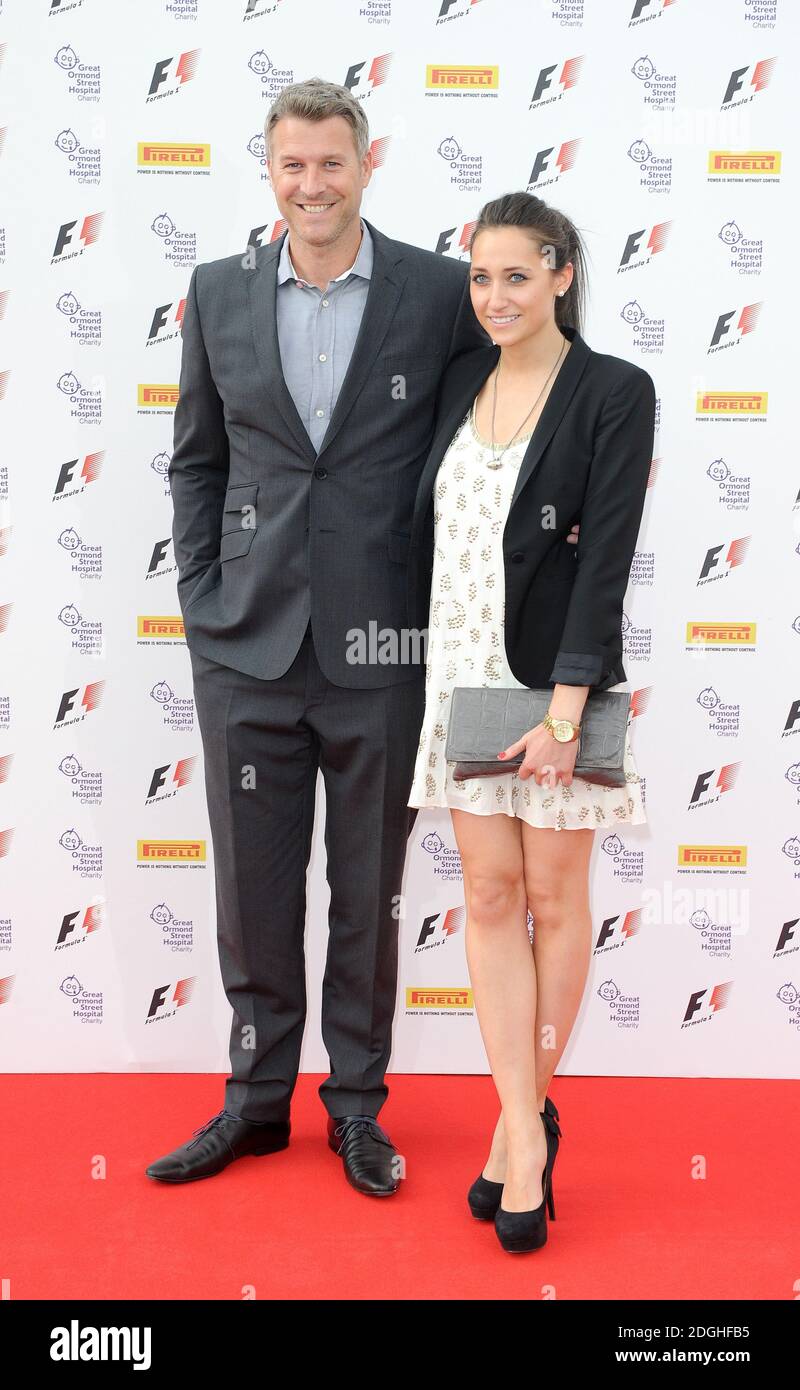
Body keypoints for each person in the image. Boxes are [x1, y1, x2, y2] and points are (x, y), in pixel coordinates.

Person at [146, 77, 493, 1197]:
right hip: (244, 646)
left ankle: (354, 1108)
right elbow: (198, 461)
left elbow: (487, 443)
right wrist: (203, 596)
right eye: (292, 165)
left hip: (382, 649)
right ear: (269, 171)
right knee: (254, 894)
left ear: (365, 163)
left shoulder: (440, 294)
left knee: (368, 890)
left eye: (330, 164)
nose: (312, 185)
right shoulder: (217, 293)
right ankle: (254, 1104)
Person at [407, 191, 656, 1251]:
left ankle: (518, 1133)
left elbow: (602, 560)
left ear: (561, 273)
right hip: (458, 679)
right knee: (489, 896)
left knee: (556, 904)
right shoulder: (460, 381)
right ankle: (523, 1121)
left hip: (554, 687)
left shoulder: (611, 388)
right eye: (479, 277)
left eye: (517, 273)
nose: (494, 295)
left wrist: (564, 710)